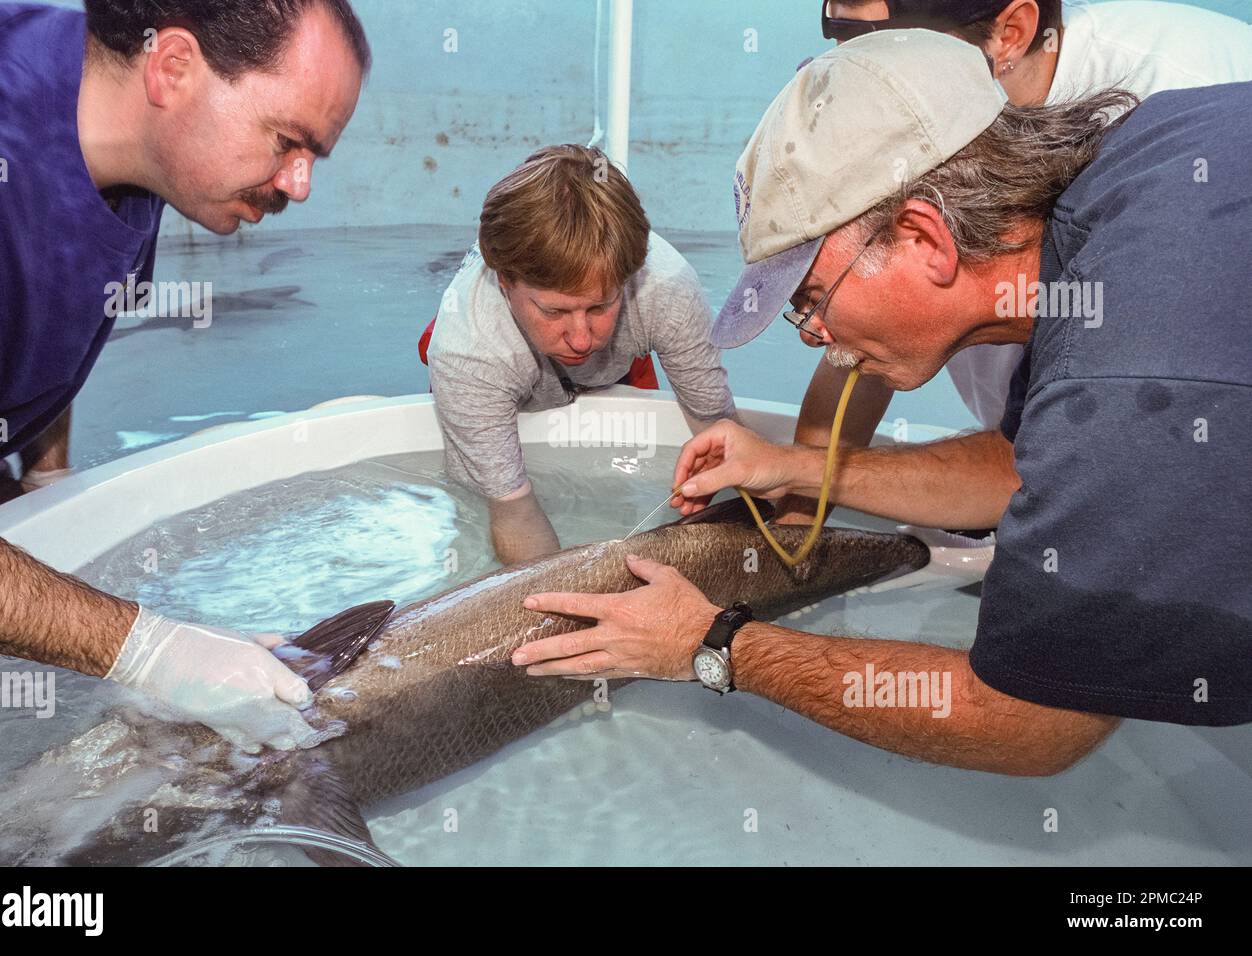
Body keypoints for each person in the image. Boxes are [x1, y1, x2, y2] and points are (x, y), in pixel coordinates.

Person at [510, 30, 1252, 774]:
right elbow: (1015, 468)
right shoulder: (1140, 175)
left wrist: (711, 642)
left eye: (810, 301)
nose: (813, 336)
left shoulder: (1133, 365)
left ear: (925, 238)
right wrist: (802, 469)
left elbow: (1029, 721)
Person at [0, 0, 370, 752]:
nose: (300, 184)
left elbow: (52, 314)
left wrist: (47, 482)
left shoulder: (128, 139)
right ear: (172, 67)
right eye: (287, 142)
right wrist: (152, 651)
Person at [785, 0, 1252, 522]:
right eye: (843, 41)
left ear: (1011, 32)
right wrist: (800, 500)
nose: (864, 90)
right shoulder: (909, 115)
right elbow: (867, 306)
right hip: (1020, 447)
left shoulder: (1185, 94)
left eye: (888, 50)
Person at [423, 145, 738, 564]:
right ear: (504, 283)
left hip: (622, 354)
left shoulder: (665, 289)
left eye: (599, 306)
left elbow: (719, 434)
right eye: (554, 311)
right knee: (477, 504)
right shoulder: (470, 353)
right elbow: (512, 512)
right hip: (493, 362)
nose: (580, 338)